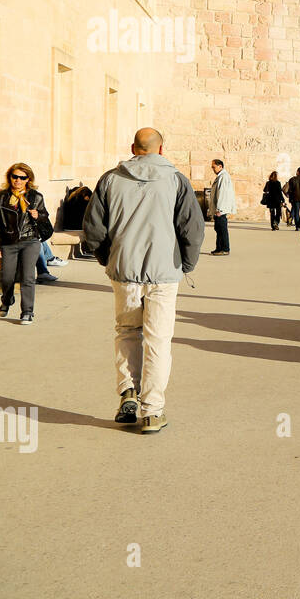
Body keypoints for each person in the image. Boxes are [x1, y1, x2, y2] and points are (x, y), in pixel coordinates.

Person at [82, 127, 205, 434]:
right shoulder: (176, 180)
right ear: (161, 150)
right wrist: (186, 263)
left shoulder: (110, 179)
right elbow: (192, 227)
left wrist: (108, 258)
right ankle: (152, 410)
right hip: (164, 271)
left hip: (125, 270)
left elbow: (94, 229)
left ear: (132, 148)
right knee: (158, 339)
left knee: (126, 331)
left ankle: (127, 393)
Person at [0, 163, 53, 325]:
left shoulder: (36, 197)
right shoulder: (0, 198)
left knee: (28, 277)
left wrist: (38, 215)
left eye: (22, 178)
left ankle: (27, 312)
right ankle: (7, 299)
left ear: (28, 179)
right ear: (10, 178)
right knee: (7, 278)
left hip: (30, 241)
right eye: (15, 177)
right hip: (8, 242)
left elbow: (45, 218)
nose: (18, 180)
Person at [207, 158, 235, 255]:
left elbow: (222, 194)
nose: (213, 169)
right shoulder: (221, 176)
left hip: (221, 209)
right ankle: (219, 248)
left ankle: (225, 249)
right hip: (219, 209)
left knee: (222, 229)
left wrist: (220, 209)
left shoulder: (223, 177)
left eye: (214, 167)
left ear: (220, 166)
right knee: (218, 228)